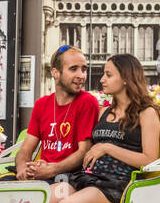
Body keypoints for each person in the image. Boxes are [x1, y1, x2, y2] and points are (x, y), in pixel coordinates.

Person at [35, 53, 160, 203]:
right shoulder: (105, 112)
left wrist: (108, 149)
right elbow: (85, 145)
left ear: (126, 79)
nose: (101, 79)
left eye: (108, 74)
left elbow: (150, 159)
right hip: (84, 178)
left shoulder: (147, 113)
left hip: (114, 183)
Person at [15, 45, 100, 182]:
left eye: (84, 69)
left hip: (70, 176)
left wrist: (51, 170)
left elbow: (84, 151)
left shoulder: (88, 102)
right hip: (41, 173)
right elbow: (26, 149)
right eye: (74, 69)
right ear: (55, 73)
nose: (81, 75)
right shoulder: (41, 104)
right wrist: (22, 169)